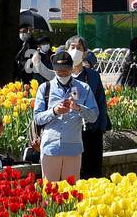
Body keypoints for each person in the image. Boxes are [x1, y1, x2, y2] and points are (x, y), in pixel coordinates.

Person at [31, 47, 99, 182]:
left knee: (71, 193)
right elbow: (37, 118)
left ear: (72, 68)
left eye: (66, 71)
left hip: (73, 148)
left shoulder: (83, 88)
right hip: (51, 147)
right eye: (59, 72)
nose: (62, 74)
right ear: (54, 70)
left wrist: (78, 108)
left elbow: (93, 116)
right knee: (51, 193)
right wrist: (54, 111)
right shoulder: (45, 88)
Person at [66, 37, 107, 179]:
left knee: (93, 173)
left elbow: (101, 101)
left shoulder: (93, 76)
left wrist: (101, 127)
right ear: (66, 51)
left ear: (84, 53)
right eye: (72, 47)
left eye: (79, 48)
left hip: (91, 131)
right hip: (69, 132)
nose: (75, 51)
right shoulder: (61, 75)